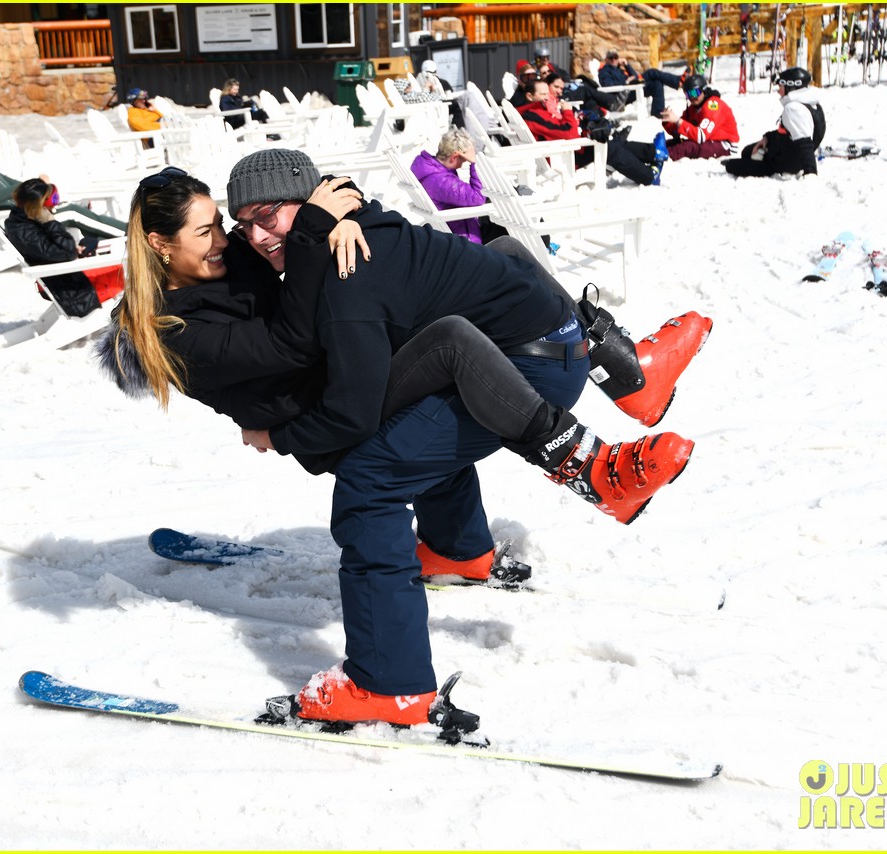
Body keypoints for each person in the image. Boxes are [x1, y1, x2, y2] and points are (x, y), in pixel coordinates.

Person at [98, 153, 711, 726]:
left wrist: (335, 217)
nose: (238, 239)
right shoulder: (174, 328)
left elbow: (315, 225)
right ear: (160, 245)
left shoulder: (243, 261)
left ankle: (388, 681)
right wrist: (313, 230)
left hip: (405, 382)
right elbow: (289, 342)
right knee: (413, 420)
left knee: (373, 481)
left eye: (229, 226)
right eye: (213, 230)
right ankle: (461, 544)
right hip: (312, 403)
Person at [0, 136, 124, 239]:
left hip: (31, 214)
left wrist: (39, 184)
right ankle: (127, 233)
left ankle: (106, 241)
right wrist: (27, 185)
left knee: (78, 205)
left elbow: (20, 184)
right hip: (22, 224)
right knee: (72, 212)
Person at [4, 179, 122, 317]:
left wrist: (73, 247)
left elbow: (59, 250)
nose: (49, 206)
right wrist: (51, 222)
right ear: (35, 205)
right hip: (75, 293)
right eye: (46, 201)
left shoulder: (22, 222)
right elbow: (67, 252)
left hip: (68, 278)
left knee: (107, 248)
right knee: (125, 268)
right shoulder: (24, 231)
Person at [518, 80, 666, 186]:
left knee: (609, 142)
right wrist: (567, 112)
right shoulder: (533, 115)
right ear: (530, 97)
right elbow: (568, 134)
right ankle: (648, 176)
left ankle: (653, 152)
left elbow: (561, 129)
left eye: (547, 94)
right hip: (561, 157)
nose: (547, 97)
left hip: (564, 151)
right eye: (542, 94)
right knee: (608, 148)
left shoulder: (539, 111)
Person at [410, 128, 506, 245]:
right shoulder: (441, 182)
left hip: (455, 226)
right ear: (454, 157)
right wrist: (474, 163)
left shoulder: (428, 168)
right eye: (463, 160)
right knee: (507, 232)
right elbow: (478, 198)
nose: (462, 165)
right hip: (464, 239)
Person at [723, 67, 824, 178]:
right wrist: (767, 138)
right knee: (747, 152)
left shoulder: (794, 108)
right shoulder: (811, 103)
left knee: (732, 166)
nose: (778, 90)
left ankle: (762, 165)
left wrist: (810, 172)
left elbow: (804, 143)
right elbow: (788, 132)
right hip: (786, 149)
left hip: (785, 162)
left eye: (780, 86)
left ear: (791, 86)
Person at [658, 73, 740, 161]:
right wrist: (667, 120)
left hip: (725, 145)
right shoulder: (693, 108)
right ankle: (651, 151)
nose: (692, 97)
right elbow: (677, 131)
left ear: (703, 90)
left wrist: (678, 121)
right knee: (670, 144)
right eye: (688, 94)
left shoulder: (713, 105)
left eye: (695, 92)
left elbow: (701, 136)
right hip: (708, 141)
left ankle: (660, 157)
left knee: (688, 147)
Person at [598, 49, 688, 118]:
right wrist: (626, 82)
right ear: (606, 60)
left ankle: (657, 113)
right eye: (611, 58)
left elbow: (634, 76)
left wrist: (627, 65)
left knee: (656, 84)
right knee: (652, 72)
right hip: (622, 95)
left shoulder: (619, 69)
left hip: (632, 89)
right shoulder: (604, 71)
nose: (614, 60)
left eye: (616, 57)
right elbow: (607, 85)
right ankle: (678, 81)